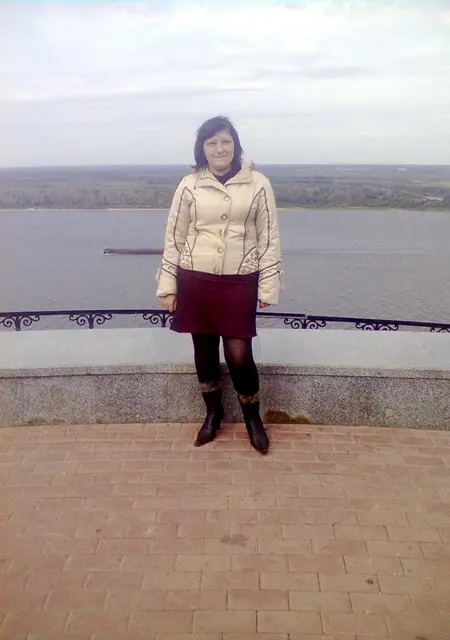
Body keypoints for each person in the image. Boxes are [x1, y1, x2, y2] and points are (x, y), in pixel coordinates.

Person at [156, 116, 281, 455]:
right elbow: (174, 237)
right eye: (211, 143)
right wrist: (169, 286)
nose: (219, 149)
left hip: (240, 279)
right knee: (204, 351)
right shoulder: (189, 185)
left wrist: (268, 286)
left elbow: (269, 238)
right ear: (203, 149)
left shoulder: (258, 183)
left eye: (225, 141)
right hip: (196, 278)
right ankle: (213, 415)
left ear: (235, 144)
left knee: (239, 354)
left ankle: (252, 418)